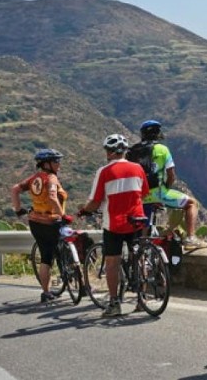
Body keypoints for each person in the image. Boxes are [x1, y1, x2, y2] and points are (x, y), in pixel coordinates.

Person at [78, 134, 148, 318]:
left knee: (112, 263)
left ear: (109, 152)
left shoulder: (105, 171)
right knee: (138, 257)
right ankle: (142, 299)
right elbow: (145, 193)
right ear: (125, 151)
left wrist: (84, 210)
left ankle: (114, 303)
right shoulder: (138, 168)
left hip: (115, 224)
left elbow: (95, 201)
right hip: (137, 220)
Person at [10, 148, 69, 303]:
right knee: (53, 254)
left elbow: (15, 189)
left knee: (45, 256)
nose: (59, 164)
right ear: (47, 164)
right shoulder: (51, 178)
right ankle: (68, 273)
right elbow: (51, 197)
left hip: (35, 222)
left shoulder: (34, 178)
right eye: (56, 161)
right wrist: (62, 215)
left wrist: (18, 209)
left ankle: (46, 292)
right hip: (51, 221)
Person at [136, 120, 207, 248]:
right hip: (159, 193)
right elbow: (171, 176)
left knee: (143, 230)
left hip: (139, 197)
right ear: (157, 134)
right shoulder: (163, 150)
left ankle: (140, 258)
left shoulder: (133, 151)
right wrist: (164, 191)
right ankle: (190, 238)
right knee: (192, 203)